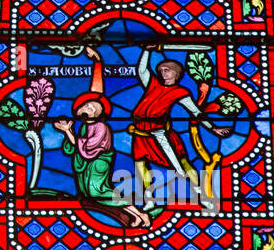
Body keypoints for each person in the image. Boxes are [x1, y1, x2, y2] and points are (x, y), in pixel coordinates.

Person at [51, 47, 151, 227]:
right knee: (92, 193)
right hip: (87, 167)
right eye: (86, 107)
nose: (89, 110)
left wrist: (67, 131)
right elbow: (73, 148)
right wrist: (97, 62)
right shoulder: (83, 126)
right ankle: (137, 216)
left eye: (93, 109)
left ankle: (141, 214)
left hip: (98, 165)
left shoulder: (100, 127)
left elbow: (88, 150)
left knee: (99, 192)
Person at [129, 46, 231, 199]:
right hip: (140, 133)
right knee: (140, 164)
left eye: (166, 70)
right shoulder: (152, 84)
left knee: (181, 163)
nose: (162, 73)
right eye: (161, 70)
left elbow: (196, 113)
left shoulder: (180, 92)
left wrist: (213, 128)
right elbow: (141, 70)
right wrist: (146, 50)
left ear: (176, 73)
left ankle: (200, 192)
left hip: (160, 133)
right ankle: (149, 198)